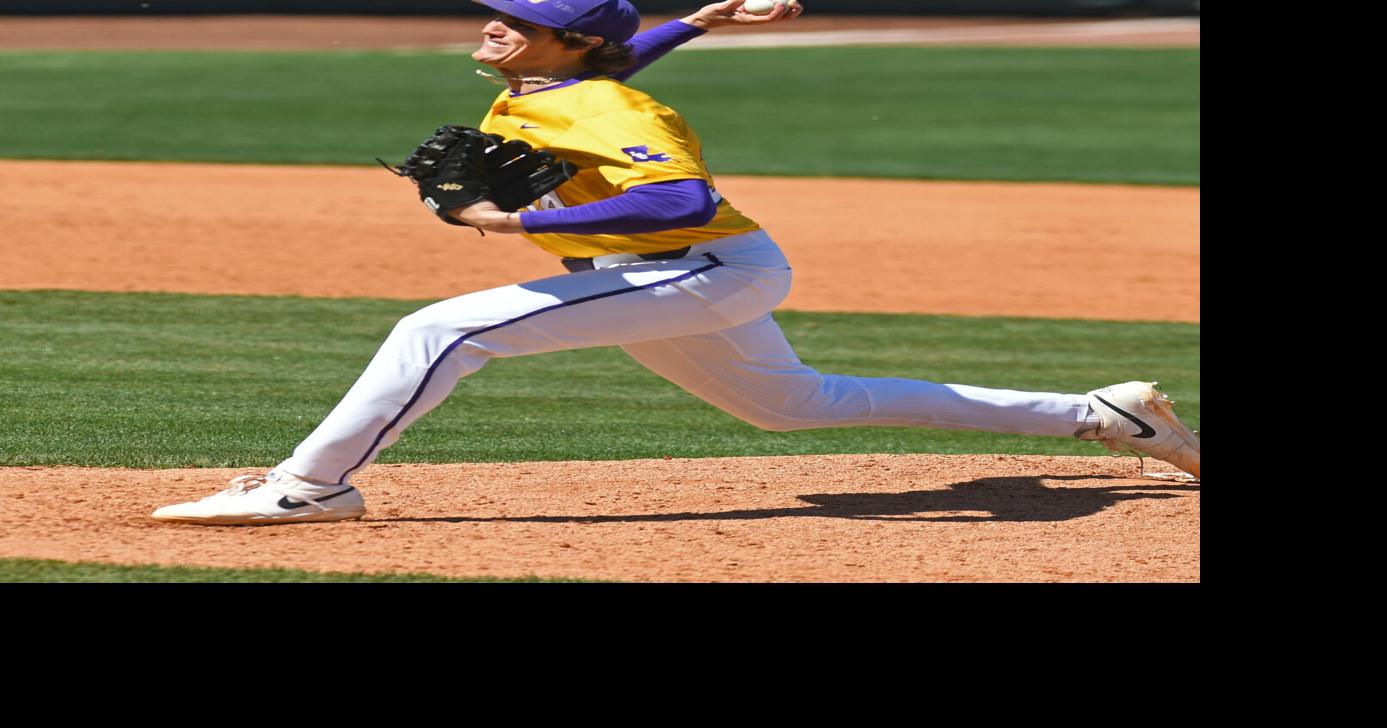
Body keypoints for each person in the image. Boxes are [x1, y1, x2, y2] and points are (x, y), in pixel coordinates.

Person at [151, 0, 1199, 525]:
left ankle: (310, 488)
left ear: (563, 45)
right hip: (704, 267)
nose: (496, 27)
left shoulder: (601, 99)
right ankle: (1103, 413)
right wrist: (695, 18)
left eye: (522, 23)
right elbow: (616, 56)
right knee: (796, 404)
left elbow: (680, 196)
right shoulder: (562, 80)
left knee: (440, 328)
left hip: (701, 261)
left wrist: (503, 226)